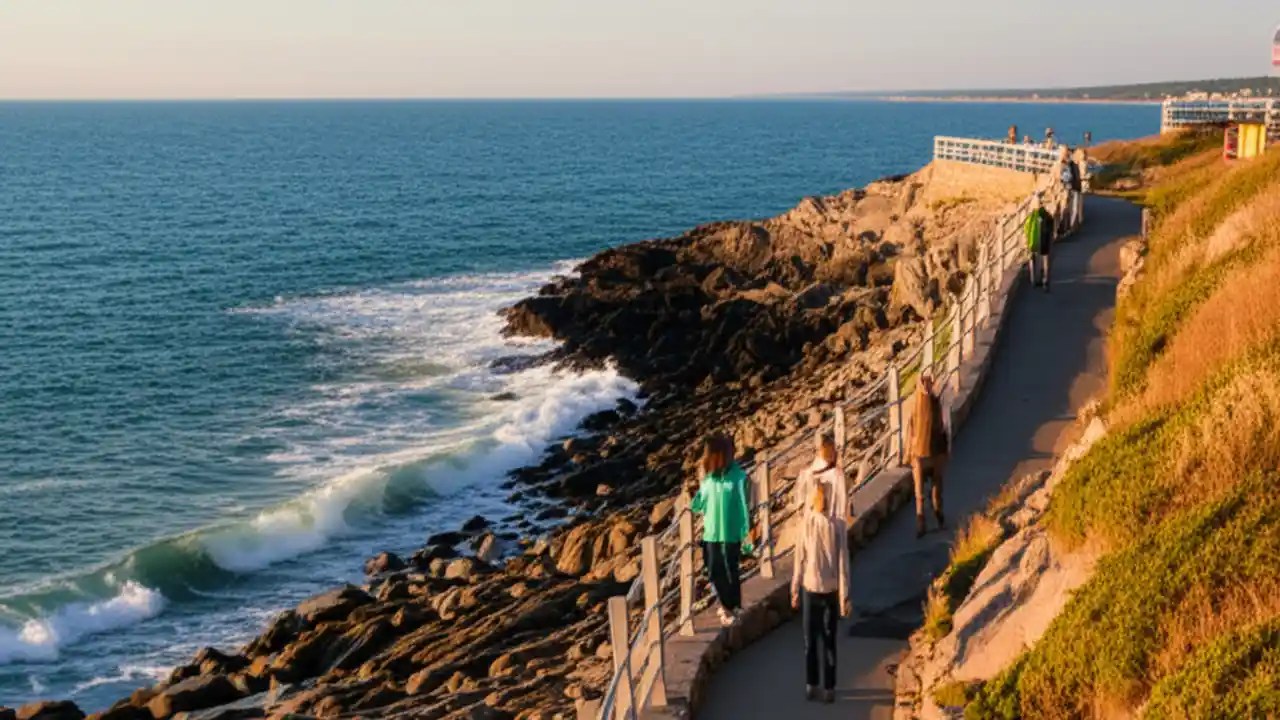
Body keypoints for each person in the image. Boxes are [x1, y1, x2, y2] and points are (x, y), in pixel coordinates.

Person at [790, 482, 851, 703]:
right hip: (819, 588)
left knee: (821, 640)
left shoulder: (834, 525)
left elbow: (842, 562)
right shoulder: (810, 524)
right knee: (818, 640)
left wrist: (844, 595)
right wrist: (795, 588)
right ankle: (819, 684)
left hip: (822, 590)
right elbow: (801, 559)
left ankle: (821, 685)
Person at [688, 434, 753, 626]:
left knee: (730, 569)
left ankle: (730, 607)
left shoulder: (738, 478)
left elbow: (743, 505)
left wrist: (746, 532)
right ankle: (730, 605)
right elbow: (699, 503)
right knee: (714, 570)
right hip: (711, 533)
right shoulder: (709, 479)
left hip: (731, 532)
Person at [906, 372, 949, 538]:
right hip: (925, 451)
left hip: (928, 451)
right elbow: (910, 428)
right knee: (924, 491)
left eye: (928, 382)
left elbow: (944, 425)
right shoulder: (928, 403)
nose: (926, 386)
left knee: (930, 489)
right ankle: (926, 520)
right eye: (923, 383)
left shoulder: (931, 403)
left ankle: (933, 517)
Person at [794, 433, 851, 524]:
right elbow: (843, 497)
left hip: (814, 517)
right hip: (831, 518)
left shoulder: (807, 473)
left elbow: (800, 496)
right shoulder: (836, 474)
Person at [1024, 194, 1055, 291]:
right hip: (1045, 243)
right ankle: (1045, 280)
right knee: (1045, 262)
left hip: (1034, 243)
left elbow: (1026, 229)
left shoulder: (1031, 217)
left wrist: (1027, 242)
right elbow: (1051, 229)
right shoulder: (1047, 216)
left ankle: (1035, 280)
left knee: (1034, 261)